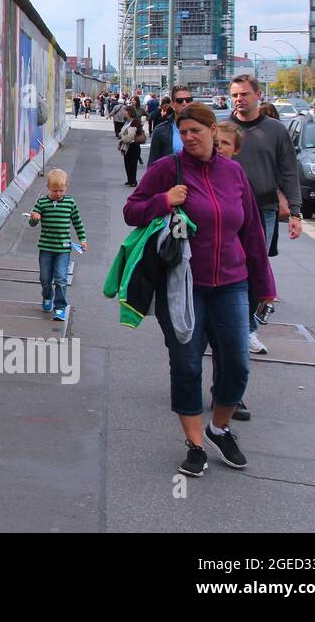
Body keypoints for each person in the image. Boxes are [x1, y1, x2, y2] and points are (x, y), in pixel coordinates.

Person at [124, 103, 275, 477]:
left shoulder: (233, 173)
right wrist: (164, 200)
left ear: (212, 131)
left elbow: (252, 232)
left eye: (196, 131)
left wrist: (265, 284)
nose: (189, 138)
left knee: (237, 365)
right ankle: (194, 445)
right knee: (187, 363)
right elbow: (132, 210)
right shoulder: (167, 169)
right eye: (184, 132)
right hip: (181, 285)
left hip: (232, 284)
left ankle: (218, 427)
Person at [229, 75, 301, 358]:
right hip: (229, 208)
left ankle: (246, 329)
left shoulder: (275, 130)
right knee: (228, 266)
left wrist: (295, 211)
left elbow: (288, 171)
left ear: (258, 95)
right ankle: (227, 326)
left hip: (263, 208)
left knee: (254, 268)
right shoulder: (223, 127)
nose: (239, 99)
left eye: (244, 94)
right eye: (235, 94)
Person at [214, 121, 253, 422]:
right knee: (191, 352)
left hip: (233, 277)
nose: (219, 149)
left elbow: (253, 235)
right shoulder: (188, 173)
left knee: (235, 353)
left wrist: (265, 285)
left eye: (225, 144)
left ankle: (228, 399)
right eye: (216, 142)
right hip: (195, 277)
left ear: (236, 150)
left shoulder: (238, 177)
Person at [27, 168, 87, 322]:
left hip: (63, 249)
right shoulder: (42, 202)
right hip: (46, 248)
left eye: (61, 190)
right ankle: (47, 295)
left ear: (66, 187)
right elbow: (32, 223)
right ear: (48, 187)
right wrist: (35, 218)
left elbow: (77, 222)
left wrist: (83, 239)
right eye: (54, 191)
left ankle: (59, 307)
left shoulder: (69, 203)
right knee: (45, 278)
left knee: (61, 279)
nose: (58, 194)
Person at [148, 85, 194, 165]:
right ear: (173, 104)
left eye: (188, 100)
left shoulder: (203, 128)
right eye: (180, 100)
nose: (184, 103)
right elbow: (153, 164)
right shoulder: (161, 131)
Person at [119, 105, 147, 186]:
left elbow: (138, 131)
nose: (124, 112)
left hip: (133, 144)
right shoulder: (127, 121)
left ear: (130, 112)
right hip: (126, 144)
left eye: (126, 111)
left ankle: (133, 181)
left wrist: (131, 132)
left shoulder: (135, 121)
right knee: (127, 162)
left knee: (132, 163)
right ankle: (129, 179)